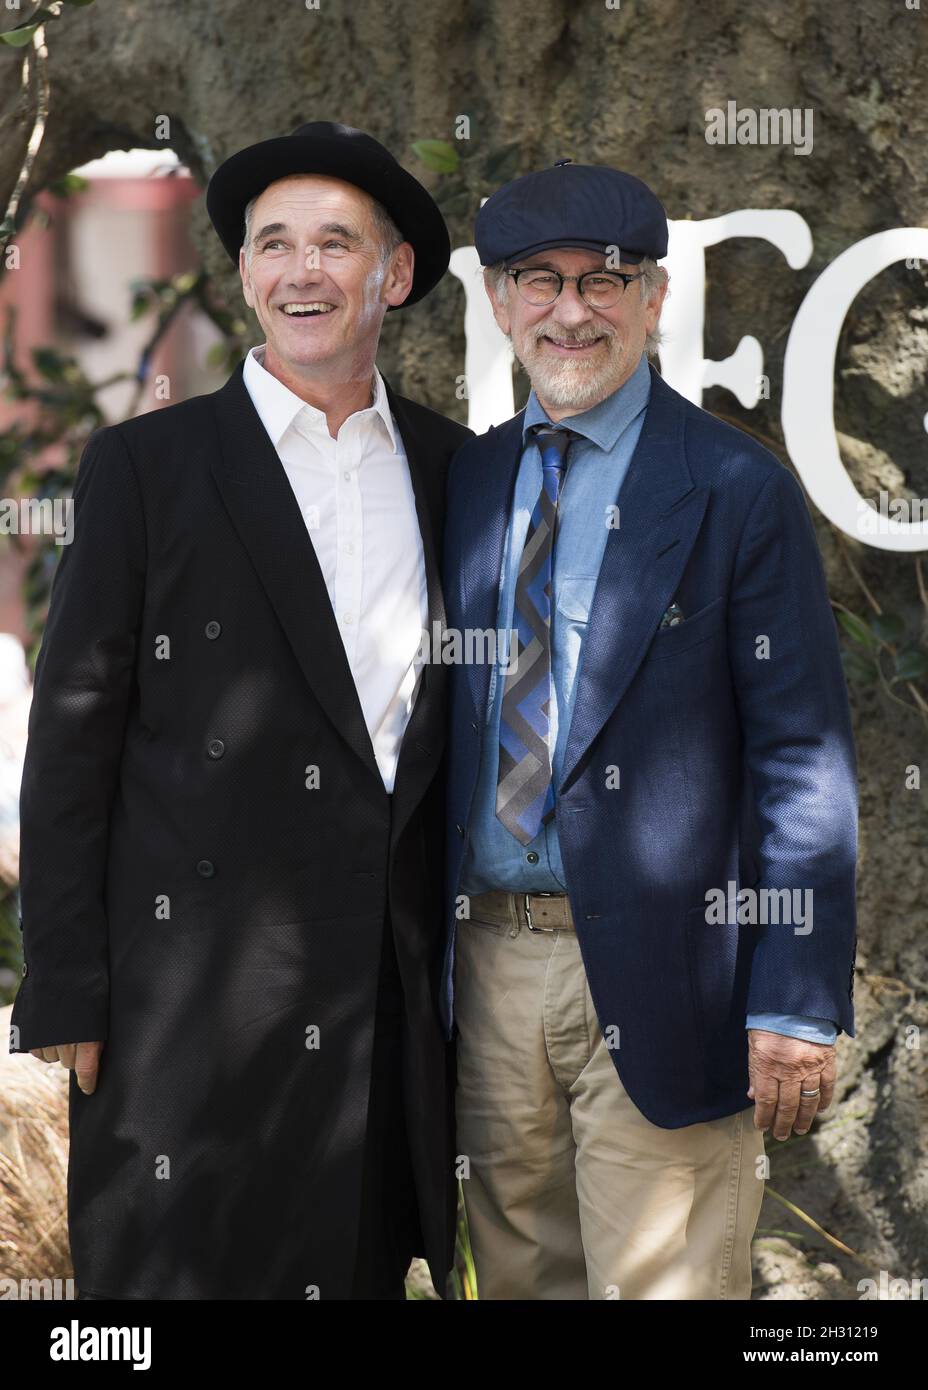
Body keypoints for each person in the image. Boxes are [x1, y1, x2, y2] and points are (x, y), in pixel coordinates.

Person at [9, 121, 472, 1300]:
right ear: (245, 274)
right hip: (180, 1005)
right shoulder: (144, 468)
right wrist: (65, 984)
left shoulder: (456, 470)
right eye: (273, 244)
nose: (301, 271)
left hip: (376, 1010)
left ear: (395, 275)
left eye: (335, 243)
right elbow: (71, 741)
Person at [441, 159, 858, 1299]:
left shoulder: (733, 487)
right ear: (499, 301)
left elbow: (799, 755)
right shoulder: (469, 481)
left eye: (606, 280)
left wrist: (794, 996)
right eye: (540, 281)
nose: (571, 311)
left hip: (672, 975)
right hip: (487, 970)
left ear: (655, 297)